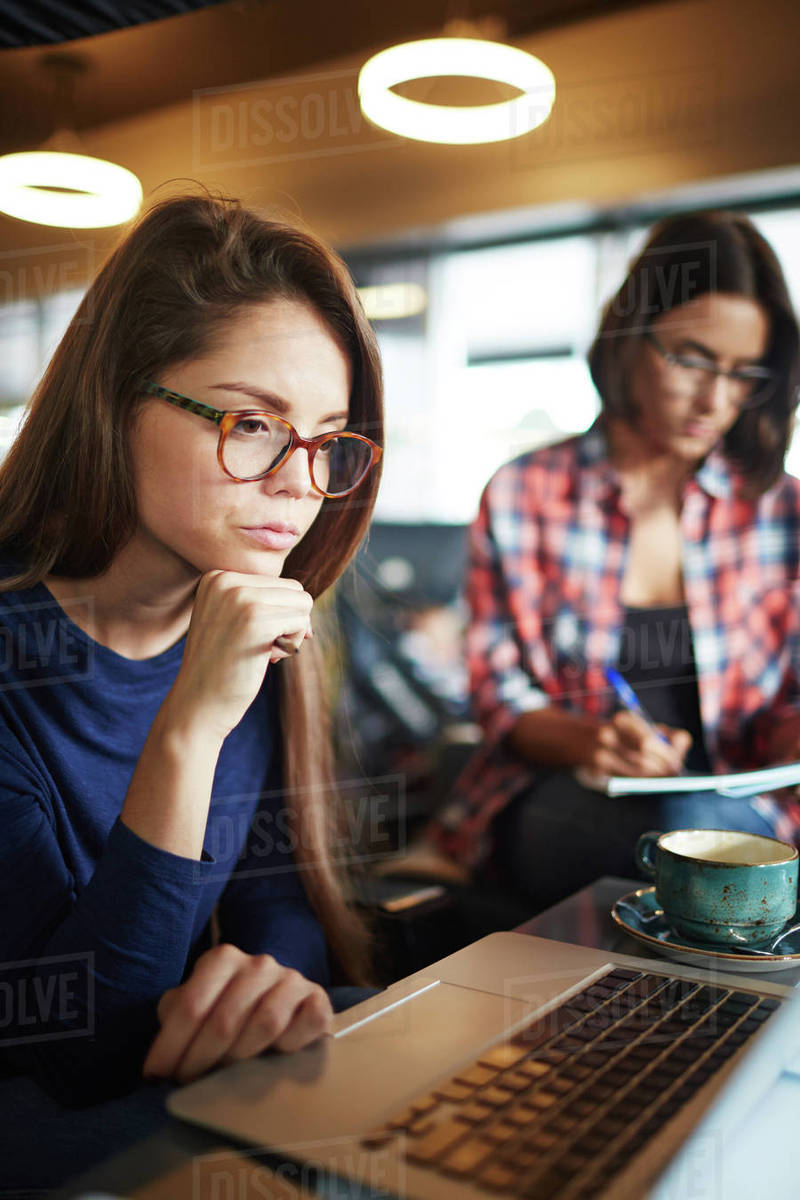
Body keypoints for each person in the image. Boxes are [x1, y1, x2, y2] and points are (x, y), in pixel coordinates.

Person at [0, 192, 383, 1190]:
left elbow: (280, 903)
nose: (300, 482)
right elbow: (77, 1044)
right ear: (113, 402)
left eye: (327, 437)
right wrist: (191, 726)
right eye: (253, 422)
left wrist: (270, 983)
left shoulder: (258, 618)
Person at [422, 210, 800, 907]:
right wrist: (587, 739)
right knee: (682, 835)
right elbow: (498, 697)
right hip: (558, 799)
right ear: (630, 340)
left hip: (747, 810)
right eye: (689, 358)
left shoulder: (782, 511)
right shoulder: (524, 494)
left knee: (712, 836)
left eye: (743, 374)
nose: (715, 400)